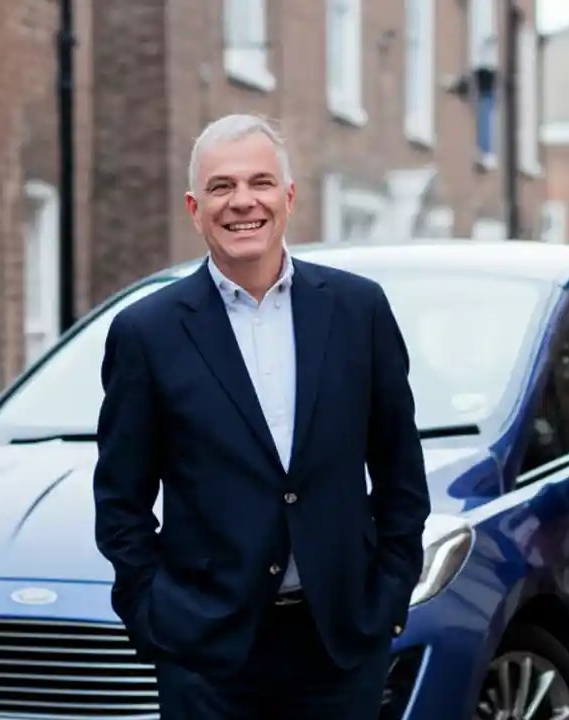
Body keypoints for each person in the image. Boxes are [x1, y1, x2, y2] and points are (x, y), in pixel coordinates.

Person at [92, 113, 431, 719]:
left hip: (340, 646)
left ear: (289, 197)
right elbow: (121, 501)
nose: (242, 202)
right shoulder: (147, 333)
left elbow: (400, 471)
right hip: (208, 657)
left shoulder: (359, 310)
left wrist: (387, 598)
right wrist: (155, 620)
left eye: (260, 183)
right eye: (221, 187)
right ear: (195, 208)